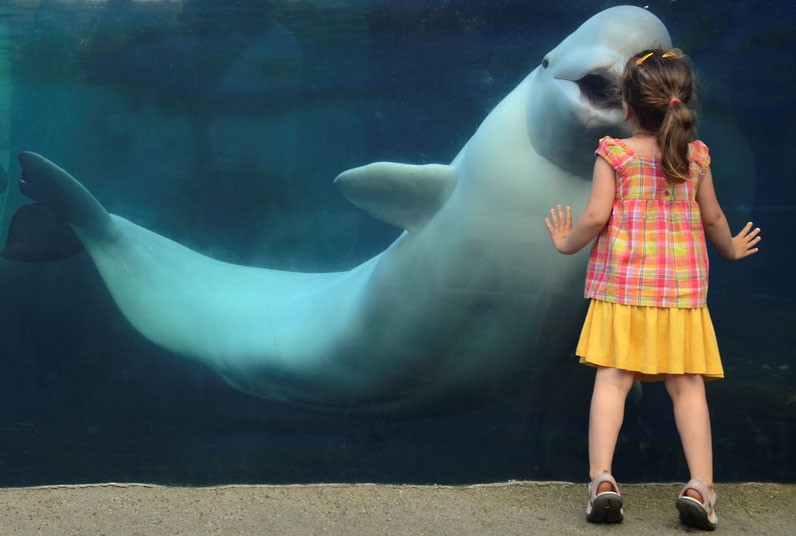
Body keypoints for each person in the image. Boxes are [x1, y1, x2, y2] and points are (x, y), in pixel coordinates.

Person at [544, 49, 761, 530]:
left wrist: (565, 243)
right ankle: (700, 486)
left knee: (612, 382)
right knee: (687, 388)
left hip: (622, 291)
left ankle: (602, 480)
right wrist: (729, 249)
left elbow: (597, 217)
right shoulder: (696, 155)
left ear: (627, 106)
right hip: (681, 296)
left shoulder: (614, 154)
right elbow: (714, 218)